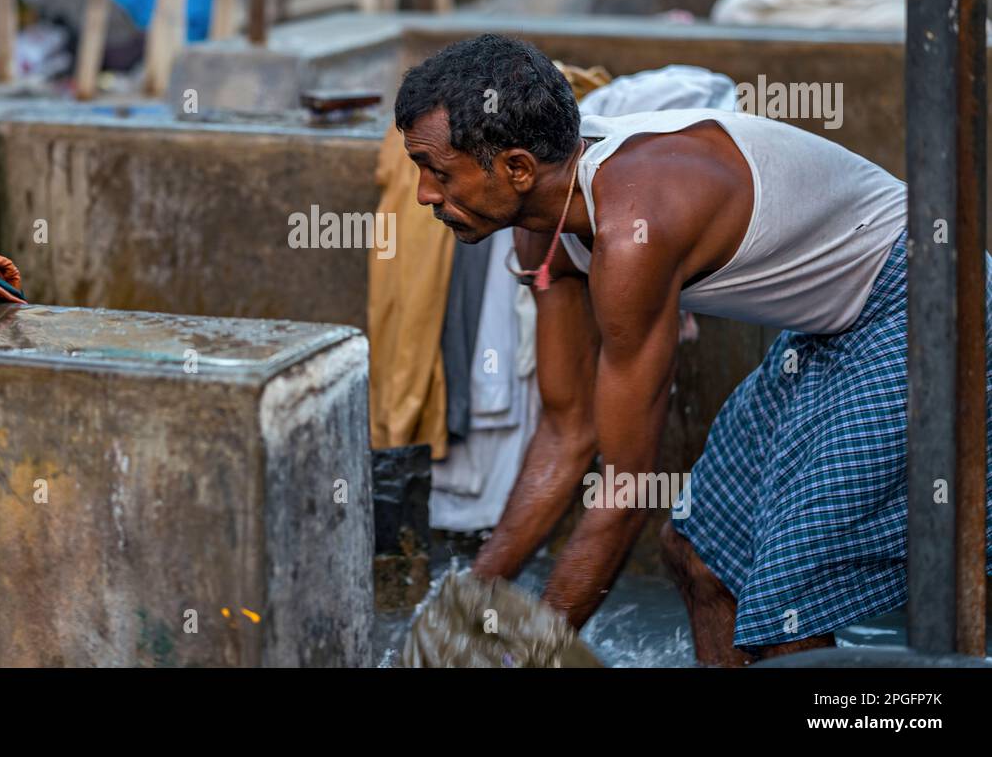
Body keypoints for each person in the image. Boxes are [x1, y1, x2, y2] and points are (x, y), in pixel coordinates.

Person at [394, 33, 992, 665]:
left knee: (783, 597)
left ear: (516, 168)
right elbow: (569, 430)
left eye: (438, 172)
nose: (425, 195)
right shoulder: (542, 234)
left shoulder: (633, 232)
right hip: (833, 326)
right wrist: (468, 603)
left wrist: (529, 650)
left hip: (927, 297)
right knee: (699, 553)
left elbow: (627, 486)